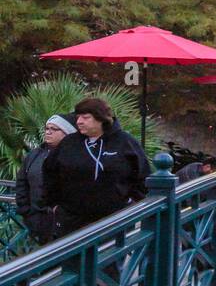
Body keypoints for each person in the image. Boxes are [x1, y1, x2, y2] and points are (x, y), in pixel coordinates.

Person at [43, 97, 152, 235]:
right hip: (71, 222)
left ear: (101, 118)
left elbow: (142, 176)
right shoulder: (69, 143)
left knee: (110, 256)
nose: (79, 121)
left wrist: (134, 204)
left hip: (115, 221)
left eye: (85, 117)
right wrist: (53, 205)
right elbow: (50, 173)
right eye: (78, 117)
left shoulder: (125, 143)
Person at [15, 114, 75, 244]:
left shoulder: (76, 155)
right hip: (38, 222)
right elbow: (22, 183)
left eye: (54, 129)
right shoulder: (34, 155)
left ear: (67, 132)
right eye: (47, 128)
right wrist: (26, 211)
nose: (48, 132)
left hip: (66, 225)